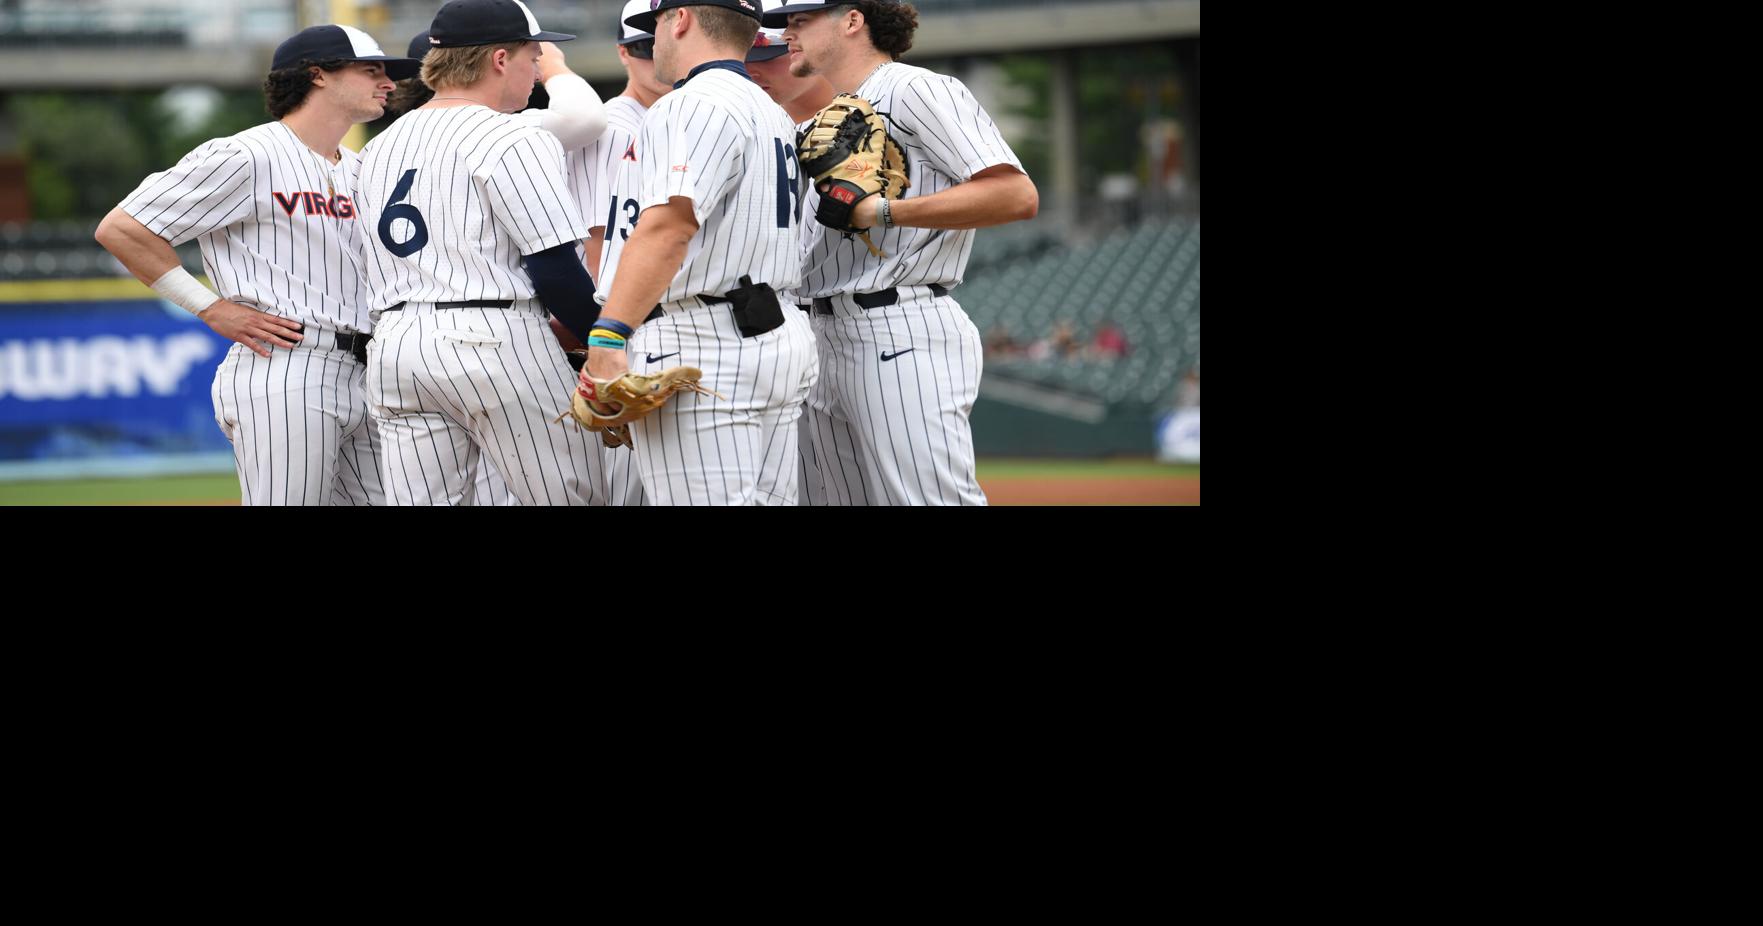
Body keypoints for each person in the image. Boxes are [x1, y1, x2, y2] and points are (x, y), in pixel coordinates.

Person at [94, 24, 419, 505]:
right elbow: (122, 228)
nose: (388, 83)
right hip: (287, 365)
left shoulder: (361, 168)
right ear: (318, 75)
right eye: (371, 71)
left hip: (366, 369)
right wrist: (210, 308)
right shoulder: (246, 154)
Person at [775, 0, 1038, 505]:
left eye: (800, 21)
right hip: (820, 332)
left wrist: (882, 211)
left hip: (897, 324)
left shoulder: (915, 87)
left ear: (852, 21)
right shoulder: (829, 115)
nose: (787, 33)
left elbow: (1015, 194)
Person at [355, 0, 607, 505]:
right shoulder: (511, 135)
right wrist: (607, 341)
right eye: (533, 58)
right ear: (500, 59)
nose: (537, 72)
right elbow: (555, 268)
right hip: (491, 340)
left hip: (397, 345)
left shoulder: (378, 146)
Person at [586, 0, 817, 505]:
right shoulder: (771, 110)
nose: (655, 41)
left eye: (657, 25)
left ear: (682, 19)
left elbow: (670, 227)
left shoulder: (692, 102)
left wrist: (608, 335)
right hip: (773, 332)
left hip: (700, 339)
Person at [562, 0, 681, 506]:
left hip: (663, 322)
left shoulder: (678, 119)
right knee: (630, 485)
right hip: (624, 329)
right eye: (642, 47)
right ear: (623, 53)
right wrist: (607, 342)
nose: (655, 56)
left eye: (660, 43)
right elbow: (597, 248)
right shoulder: (611, 128)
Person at [746, 0, 837, 505]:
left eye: (768, 55)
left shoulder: (868, 118)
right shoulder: (757, 130)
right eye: (748, 57)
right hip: (779, 330)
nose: (754, 69)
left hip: (872, 319)